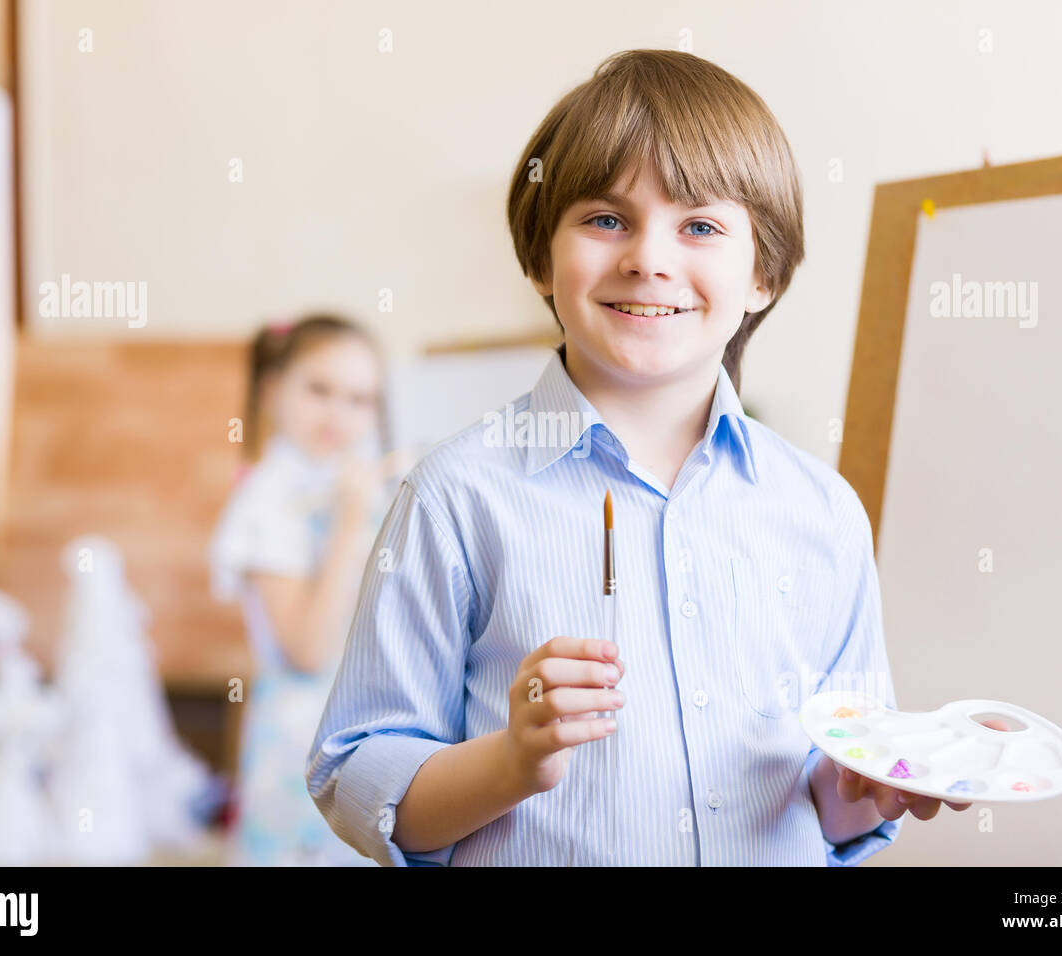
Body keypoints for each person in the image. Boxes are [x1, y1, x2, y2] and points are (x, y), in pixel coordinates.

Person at [306, 49, 969, 866]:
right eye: (606, 219)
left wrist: (865, 787)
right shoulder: (455, 495)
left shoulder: (822, 511)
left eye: (699, 226)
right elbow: (358, 778)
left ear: (762, 271)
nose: (648, 259)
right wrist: (514, 761)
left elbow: (826, 806)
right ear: (540, 256)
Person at [211, 314, 402, 866]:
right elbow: (307, 649)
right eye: (319, 390)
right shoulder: (270, 500)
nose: (338, 414)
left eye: (360, 399)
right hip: (304, 736)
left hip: (366, 727)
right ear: (273, 390)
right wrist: (348, 525)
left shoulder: (349, 483)